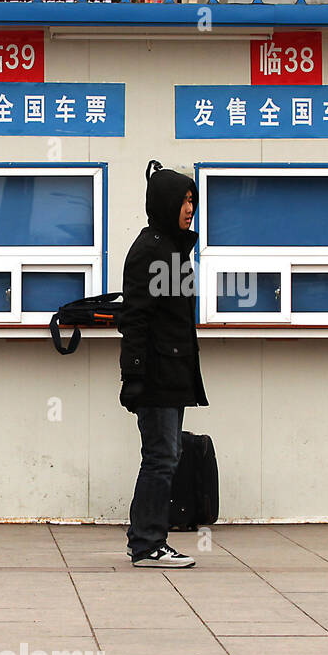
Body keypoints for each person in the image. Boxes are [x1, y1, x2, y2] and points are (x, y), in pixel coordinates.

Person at [118, 160, 210, 568]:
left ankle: (147, 540)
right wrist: (133, 374)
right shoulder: (151, 251)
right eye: (184, 200)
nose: (190, 207)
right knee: (160, 456)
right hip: (155, 374)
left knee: (165, 457)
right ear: (165, 203)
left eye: (193, 200)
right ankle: (147, 544)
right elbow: (135, 318)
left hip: (173, 373)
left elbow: (176, 321)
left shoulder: (173, 249)